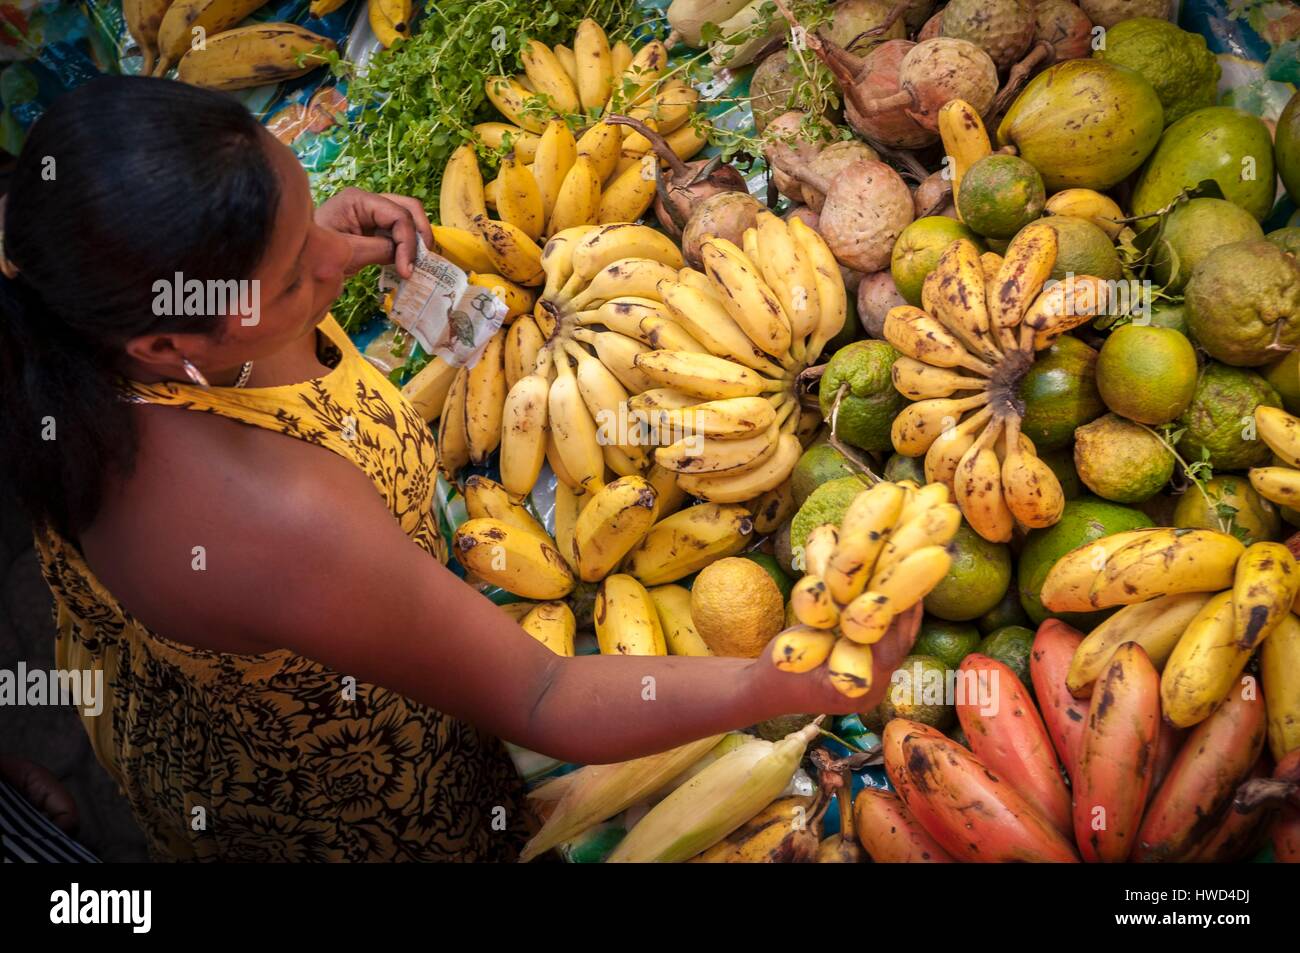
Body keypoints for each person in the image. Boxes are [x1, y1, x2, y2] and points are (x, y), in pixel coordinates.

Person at [0, 76, 918, 862]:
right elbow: (543, 692)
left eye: (303, 206)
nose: (335, 255)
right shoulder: (262, 519)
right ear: (165, 341)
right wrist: (784, 683)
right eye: (293, 275)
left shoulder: (76, 322)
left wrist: (302, 245)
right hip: (336, 776)